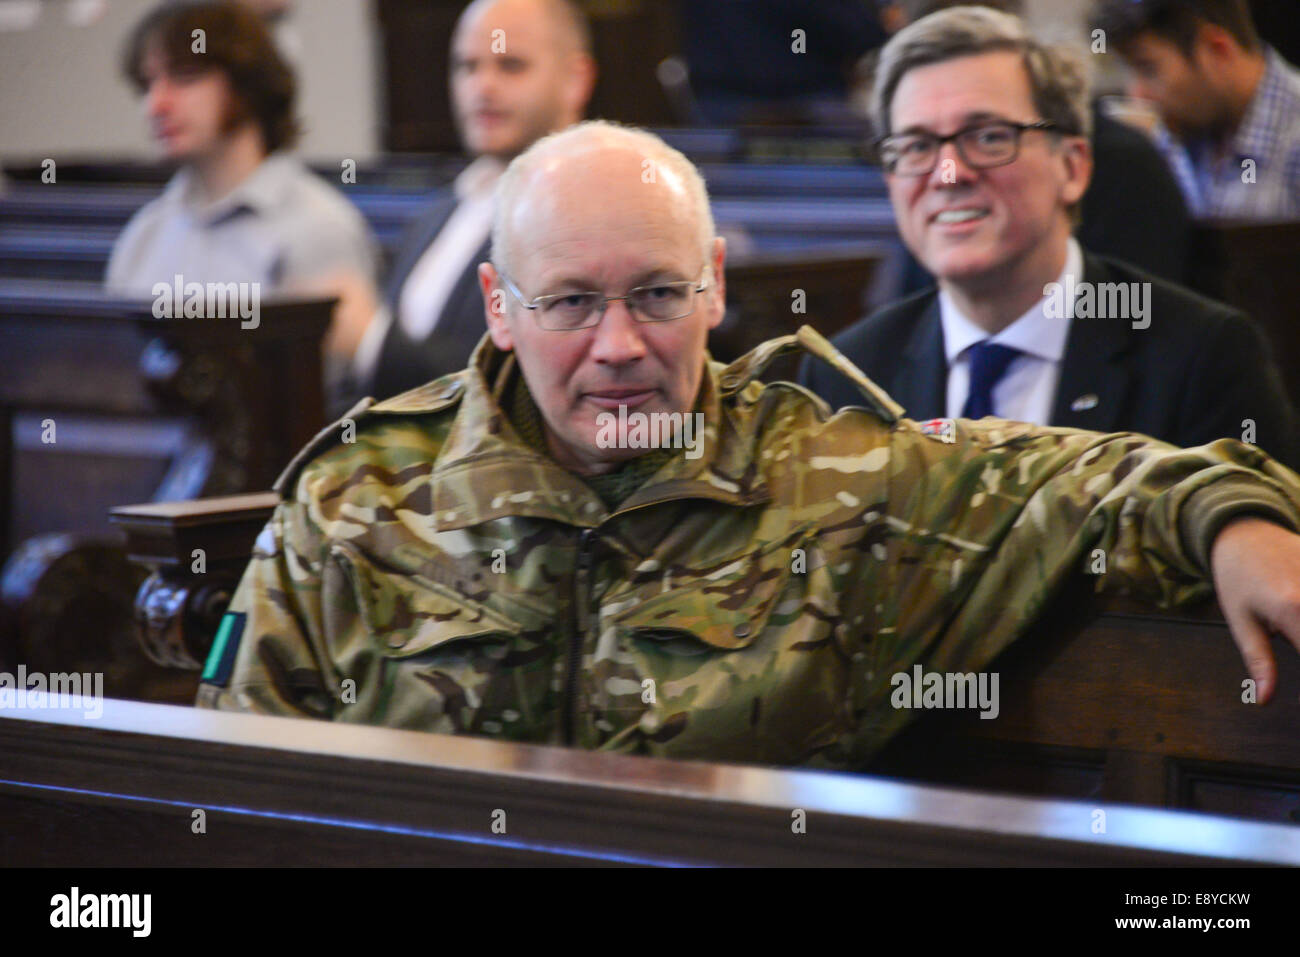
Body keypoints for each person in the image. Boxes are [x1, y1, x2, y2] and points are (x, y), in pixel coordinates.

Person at [197, 119, 1300, 771]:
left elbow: (1089, 480)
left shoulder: (839, 478)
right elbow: (238, 787)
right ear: (497, 305)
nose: (621, 345)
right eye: (573, 302)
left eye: (661, 295)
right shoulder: (356, 499)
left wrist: (1231, 519)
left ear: (717, 283)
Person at [799, 6, 1297, 469]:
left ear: (1073, 166)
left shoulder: (1200, 360)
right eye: (916, 146)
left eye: (990, 137)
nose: (947, 173)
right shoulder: (845, 379)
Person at [105, 0, 380, 377]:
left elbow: (338, 395)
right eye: (148, 83)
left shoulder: (315, 227)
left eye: (184, 76)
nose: (156, 104)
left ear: (246, 81)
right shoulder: (145, 234)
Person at [353, 0, 596, 402]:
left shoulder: (589, 212)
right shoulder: (441, 209)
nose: (482, 87)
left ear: (575, 79)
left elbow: (511, 378)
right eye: (467, 66)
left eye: (511, 65)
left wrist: (370, 339)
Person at [1093, 0, 1300, 220]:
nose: (1138, 95)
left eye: (1148, 68)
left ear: (1217, 49)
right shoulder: (1184, 131)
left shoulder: (1293, 138)